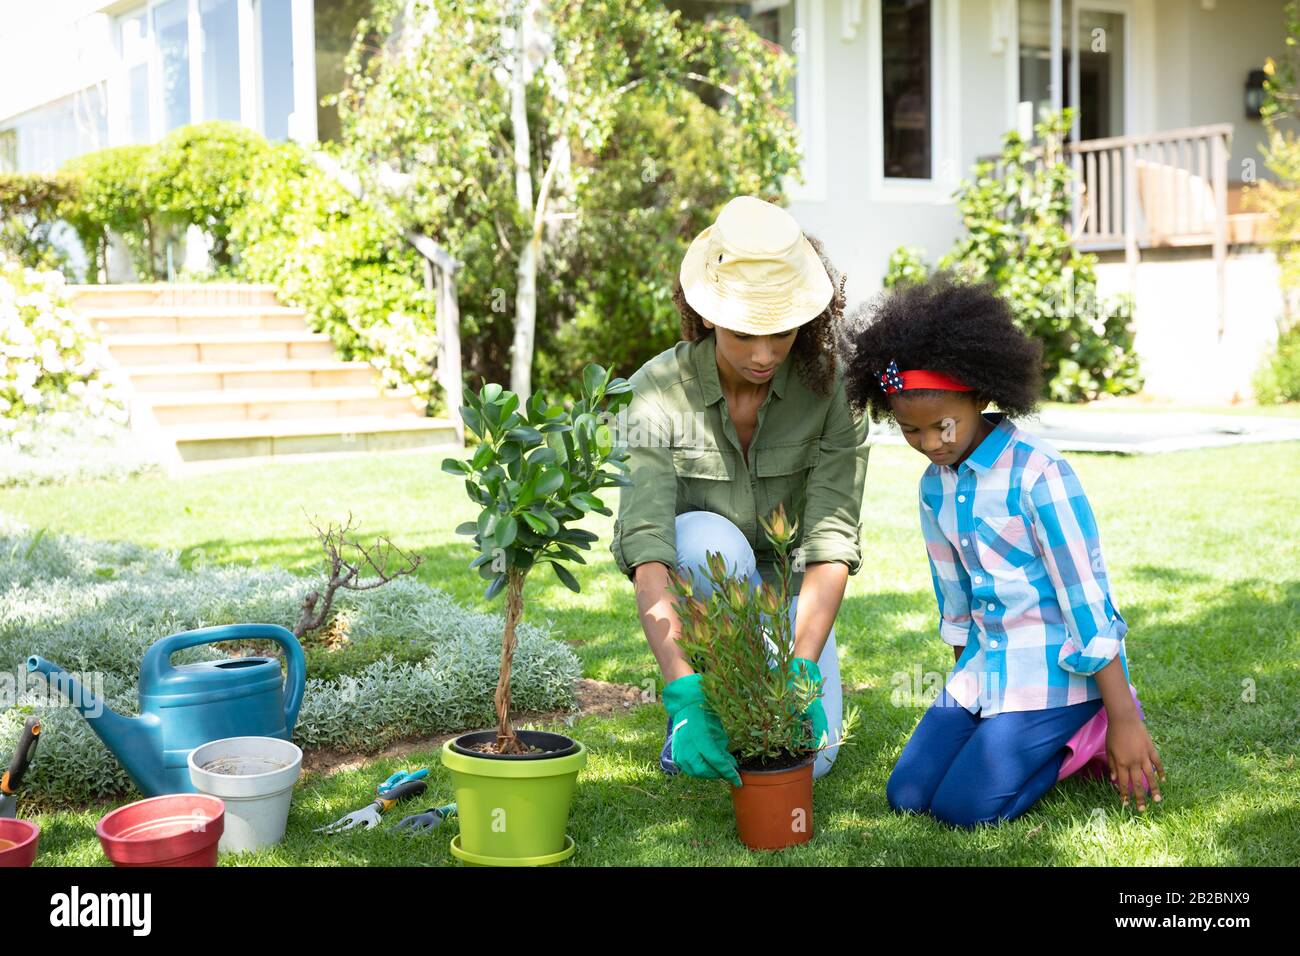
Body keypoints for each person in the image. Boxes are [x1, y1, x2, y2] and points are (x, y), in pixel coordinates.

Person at [841, 274, 1164, 828]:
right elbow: (957, 598)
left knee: (965, 811)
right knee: (908, 795)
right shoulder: (933, 486)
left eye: (943, 425)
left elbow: (1088, 601)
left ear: (981, 394)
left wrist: (1125, 716)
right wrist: (965, 701)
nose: (931, 444)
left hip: (1057, 671)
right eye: (910, 431)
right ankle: (1006, 737)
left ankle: (1080, 735)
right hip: (985, 668)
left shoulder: (1040, 474)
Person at [610, 196, 870, 785]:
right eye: (746, 332)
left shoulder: (833, 391)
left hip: (788, 606)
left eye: (780, 331)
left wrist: (801, 668)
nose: (764, 354)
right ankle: (704, 700)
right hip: (705, 595)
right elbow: (647, 548)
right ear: (705, 315)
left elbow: (832, 539)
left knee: (814, 761)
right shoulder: (653, 393)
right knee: (701, 537)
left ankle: (753, 692)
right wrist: (682, 694)